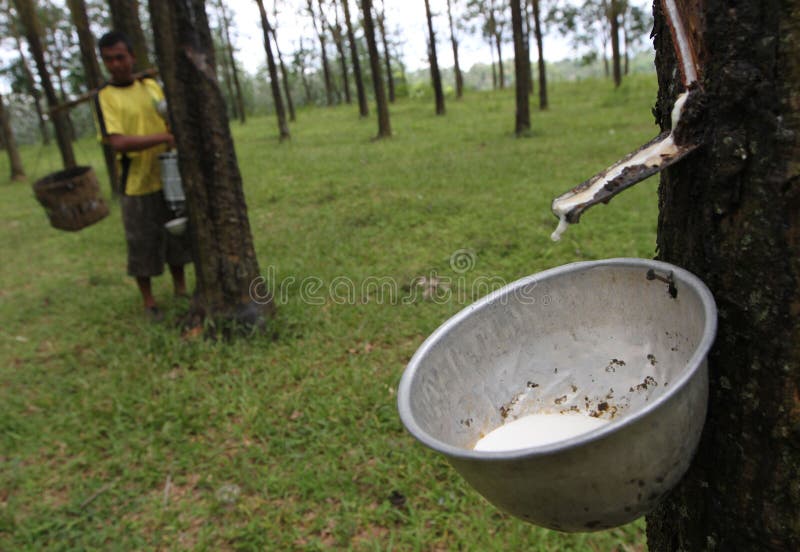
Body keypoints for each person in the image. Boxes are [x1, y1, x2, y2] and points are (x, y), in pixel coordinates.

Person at [94, 31, 192, 321]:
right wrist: (163, 136)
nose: (115, 65)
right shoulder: (105, 97)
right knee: (141, 241)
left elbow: (169, 115)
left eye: (120, 57)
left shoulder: (151, 87)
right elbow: (117, 142)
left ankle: (181, 289)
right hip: (136, 181)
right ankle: (149, 302)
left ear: (132, 57)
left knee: (176, 233)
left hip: (167, 173)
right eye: (109, 60)